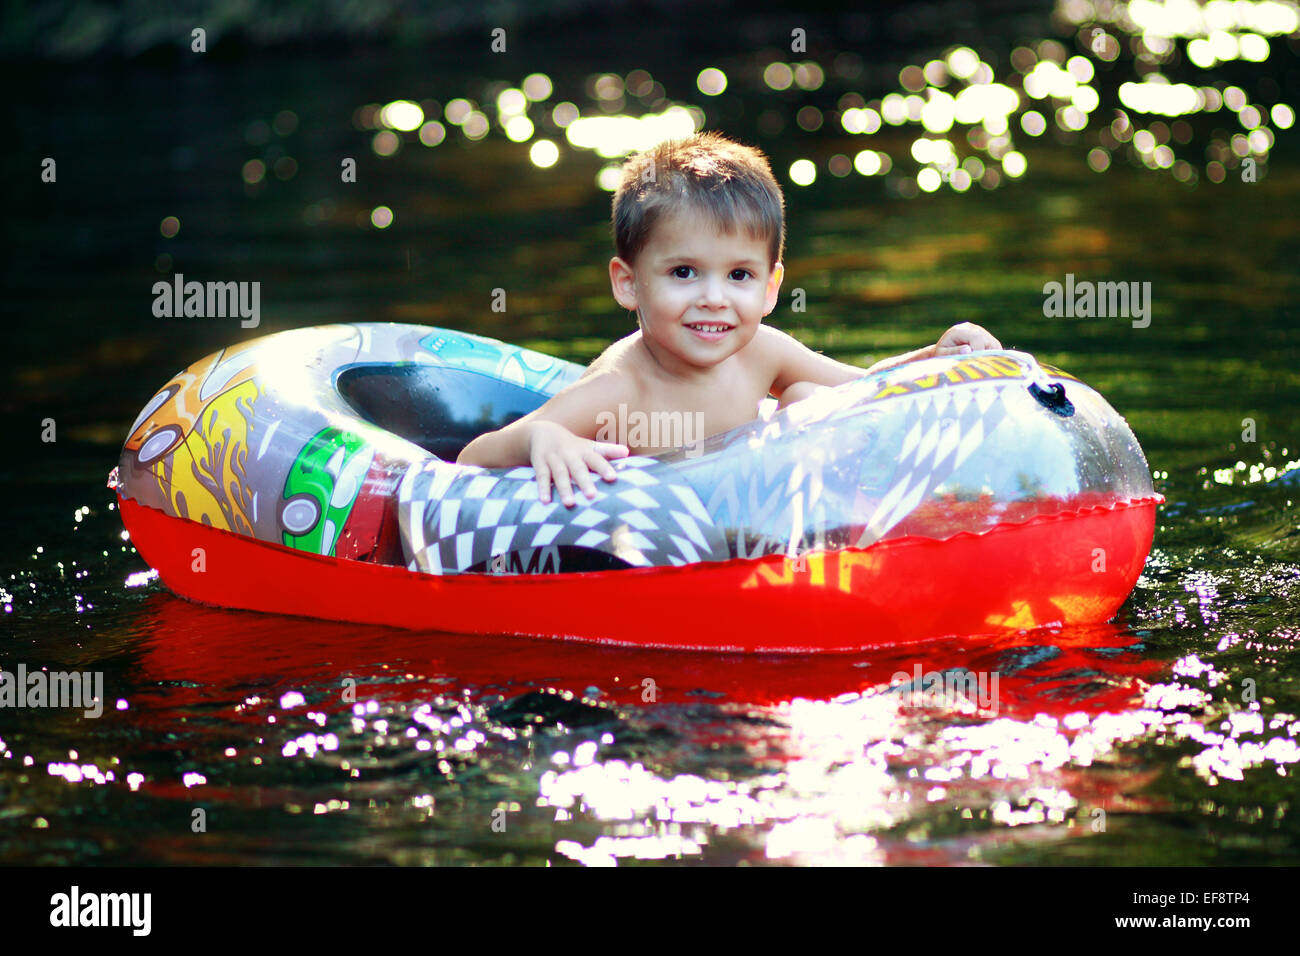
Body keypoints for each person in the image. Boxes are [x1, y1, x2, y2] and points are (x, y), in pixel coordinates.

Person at [457, 130, 1000, 505]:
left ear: (770, 287)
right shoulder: (622, 390)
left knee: (810, 398)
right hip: (669, 552)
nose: (714, 298)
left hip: (761, 524)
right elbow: (469, 461)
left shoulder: (762, 350)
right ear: (628, 283)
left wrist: (937, 358)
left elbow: (867, 389)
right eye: (685, 272)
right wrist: (543, 441)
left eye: (739, 276)